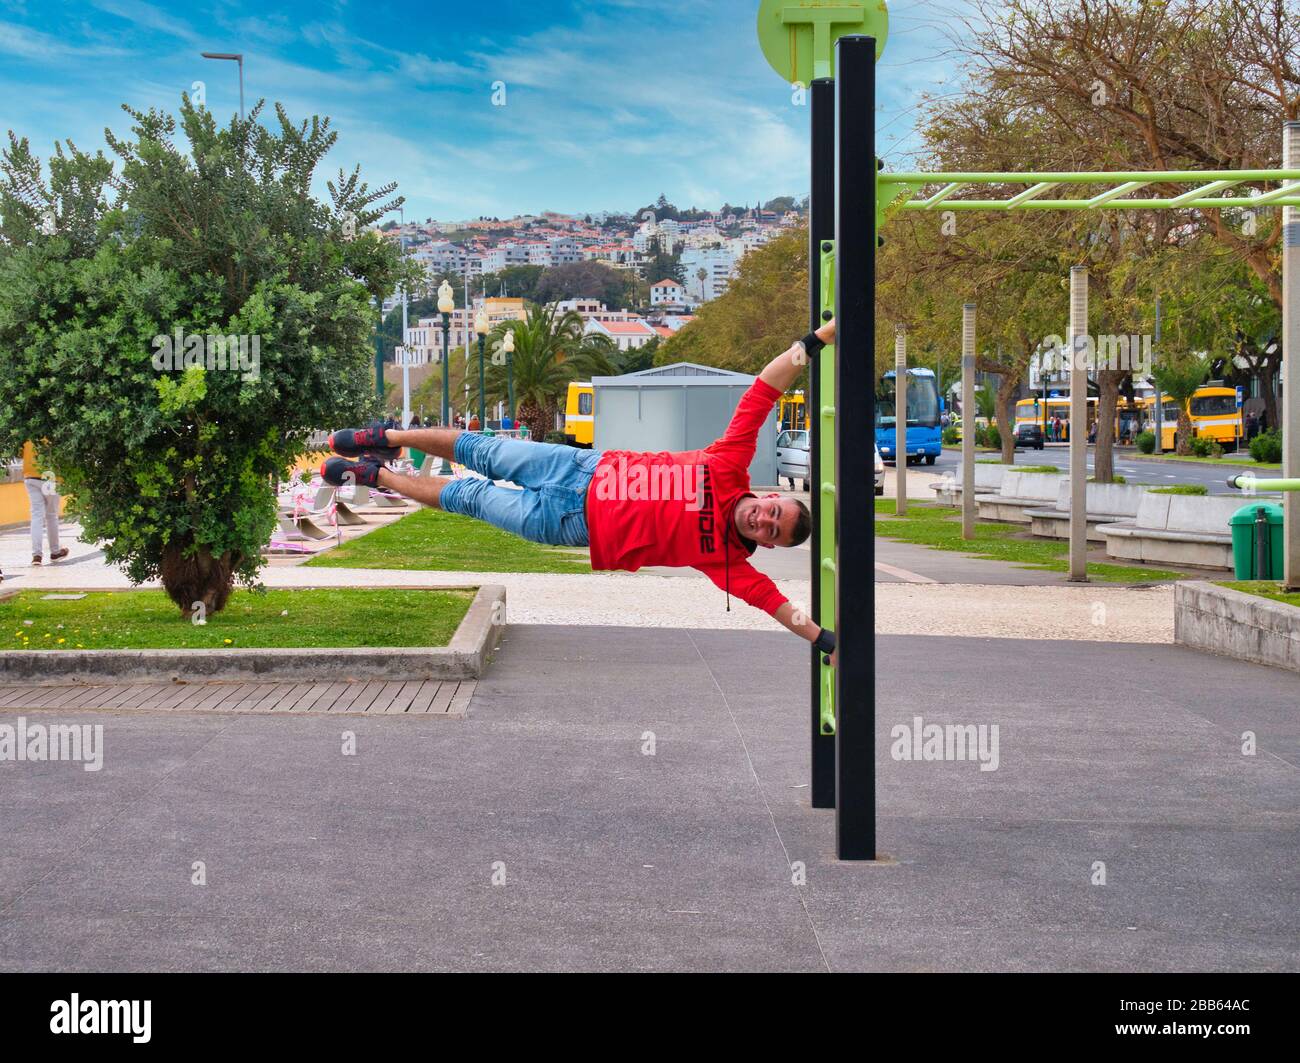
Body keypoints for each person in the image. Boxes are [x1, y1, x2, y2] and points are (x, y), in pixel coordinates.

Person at [323, 319, 838, 661]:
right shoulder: (729, 465)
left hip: (569, 526)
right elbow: (764, 390)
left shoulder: (729, 563)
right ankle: (386, 437)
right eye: (774, 512)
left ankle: (378, 476)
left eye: (773, 531)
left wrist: (823, 639)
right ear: (770, 498)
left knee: (471, 497)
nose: (764, 521)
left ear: (767, 544)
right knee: (479, 449)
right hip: (578, 469)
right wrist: (816, 340)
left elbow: (776, 606)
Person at [22, 441, 69, 566]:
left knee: (36, 515)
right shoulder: (53, 428)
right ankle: (55, 552)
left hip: (30, 476)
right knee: (51, 515)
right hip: (50, 477)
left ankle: (36, 555)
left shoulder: (25, 429)